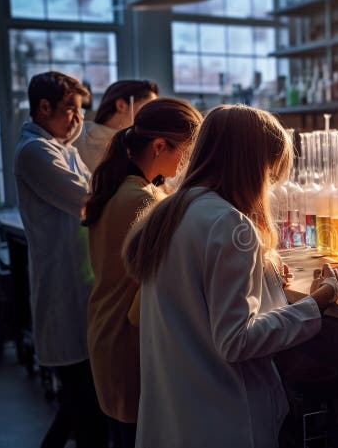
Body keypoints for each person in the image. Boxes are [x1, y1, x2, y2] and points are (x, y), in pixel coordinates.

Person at [122, 105, 338, 448]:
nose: (269, 187)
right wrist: (319, 299)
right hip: (223, 417)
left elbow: (196, 295)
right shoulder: (229, 223)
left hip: (180, 413)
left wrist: (263, 276)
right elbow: (236, 340)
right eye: (270, 174)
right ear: (252, 166)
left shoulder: (171, 210)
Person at [82, 98, 203, 448]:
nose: (188, 162)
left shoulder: (128, 188)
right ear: (160, 146)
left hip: (108, 331)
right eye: (188, 151)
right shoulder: (141, 202)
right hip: (127, 339)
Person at [13, 71, 108, 448]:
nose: (78, 120)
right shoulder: (34, 152)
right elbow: (88, 201)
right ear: (43, 107)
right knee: (83, 406)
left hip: (78, 284)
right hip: (62, 290)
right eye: (72, 110)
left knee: (80, 403)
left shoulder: (61, 149)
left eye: (82, 111)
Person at [74, 80, 159, 171]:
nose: (153, 117)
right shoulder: (77, 135)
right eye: (148, 108)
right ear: (121, 105)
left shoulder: (142, 149)